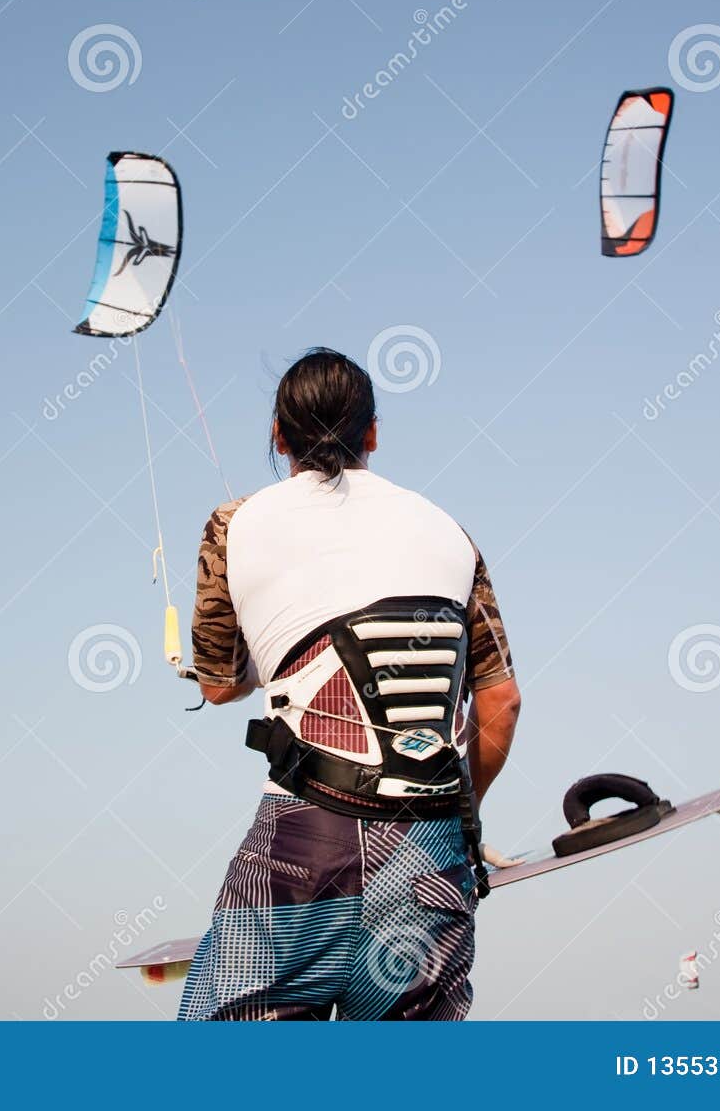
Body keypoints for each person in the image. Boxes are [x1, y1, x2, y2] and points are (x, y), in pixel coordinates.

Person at [179, 348, 521, 1021]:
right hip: (429, 859)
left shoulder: (231, 526)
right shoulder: (454, 534)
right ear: (372, 433)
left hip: (300, 856)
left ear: (279, 436)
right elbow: (501, 701)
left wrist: (262, 659)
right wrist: (459, 825)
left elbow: (219, 684)